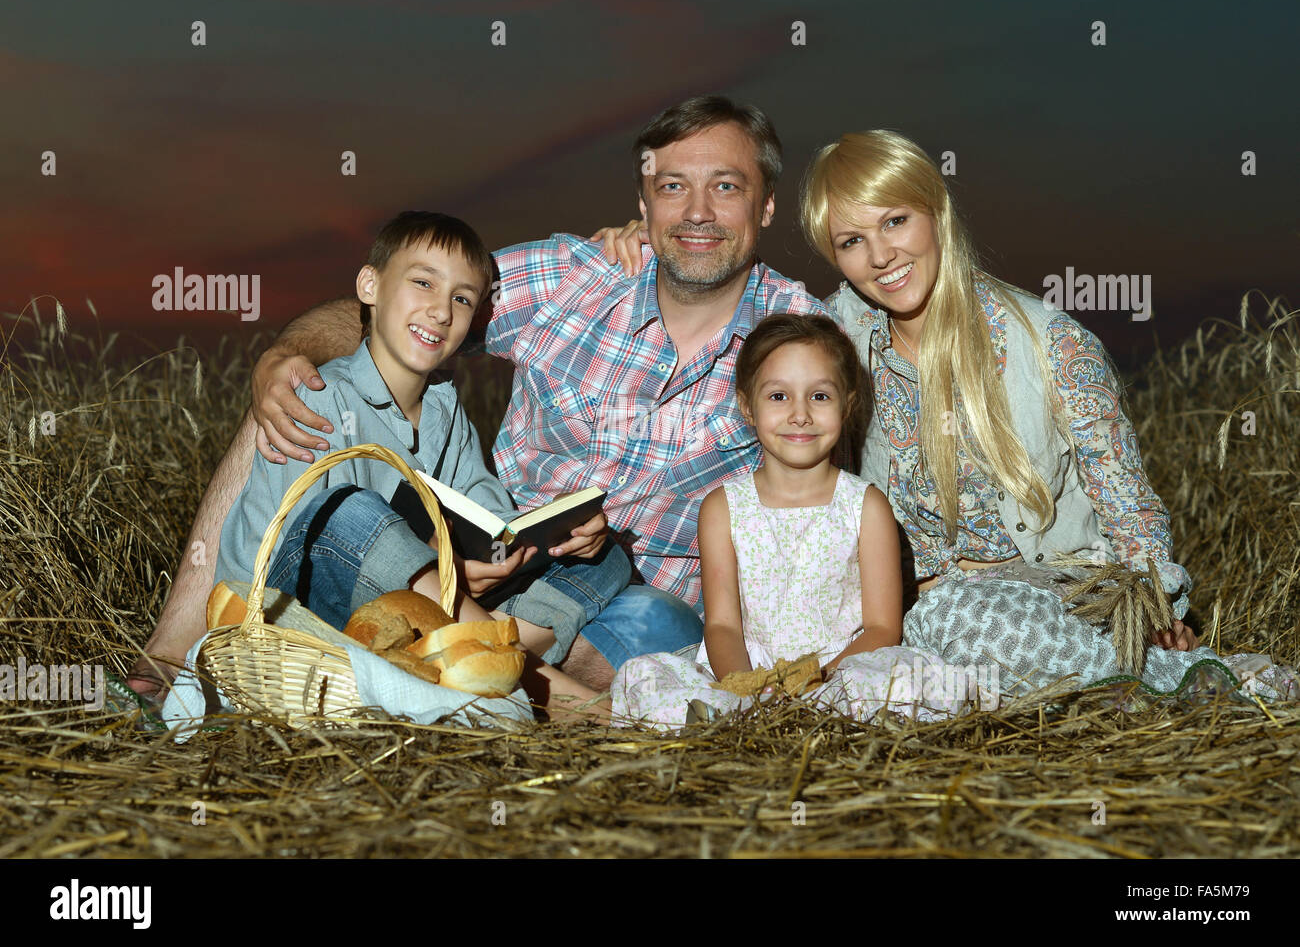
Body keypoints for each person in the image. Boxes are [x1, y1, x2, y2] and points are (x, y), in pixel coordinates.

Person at [129, 95, 824, 701]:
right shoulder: (575, 277)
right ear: (643, 204)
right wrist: (287, 353)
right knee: (291, 396)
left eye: (726, 186)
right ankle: (172, 655)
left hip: (585, 602)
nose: (697, 211)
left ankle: (446, 669)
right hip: (453, 567)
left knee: (660, 618)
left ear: (765, 203)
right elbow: (409, 311)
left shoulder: (801, 338)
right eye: (673, 186)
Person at [797, 129, 1297, 700]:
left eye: (894, 221)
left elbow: (1123, 494)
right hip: (905, 614)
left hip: (1046, 600)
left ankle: (1199, 679)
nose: (881, 255)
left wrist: (1155, 607)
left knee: (972, 625)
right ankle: (1123, 686)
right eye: (851, 240)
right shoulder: (833, 342)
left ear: (937, 211)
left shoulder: (1050, 339)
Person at [215, 210, 622, 716]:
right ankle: (554, 692)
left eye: (462, 299)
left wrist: (536, 535)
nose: (441, 311)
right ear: (370, 285)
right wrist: (430, 557)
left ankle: (481, 656)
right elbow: (323, 538)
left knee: (606, 551)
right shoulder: (320, 397)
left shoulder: (444, 407)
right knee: (349, 508)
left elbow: (481, 500)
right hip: (288, 610)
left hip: (412, 606)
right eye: (423, 283)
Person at [611, 314, 979, 729]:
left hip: (843, 674)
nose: (800, 414)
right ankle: (737, 721)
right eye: (778, 396)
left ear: (848, 404)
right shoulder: (723, 507)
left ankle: (815, 722)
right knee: (640, 679)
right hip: (752, 676)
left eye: (820, 396)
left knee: (918, 684)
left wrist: (817, 682)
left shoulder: (865, 506)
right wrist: (746, 686)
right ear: (747, 406)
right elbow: (722, 625)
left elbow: (881, 628)